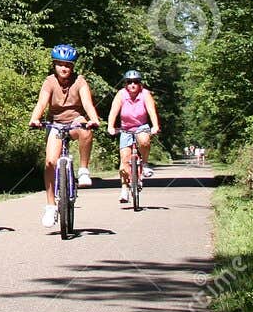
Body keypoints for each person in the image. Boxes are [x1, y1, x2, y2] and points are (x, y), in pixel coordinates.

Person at [27, 44, 101, 227]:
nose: (63, 68)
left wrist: (93, 119)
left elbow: (87, 103)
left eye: (67, 65)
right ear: (54, 65)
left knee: (85, 130)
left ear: (73, 66)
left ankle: (83, 170)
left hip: (75, 120)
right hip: (56, 123)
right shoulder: (49, 81)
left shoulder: (80, 81)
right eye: (60, 64)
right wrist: (34, 119)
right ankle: (51, 206)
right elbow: (41, 103)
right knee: (50, 162)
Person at [105, 69, 161, 204]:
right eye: (129, 82)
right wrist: (110, 127)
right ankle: (124, 188)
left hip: (141, 126)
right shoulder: (121, 95)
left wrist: (155, 126)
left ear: (140, 83)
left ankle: (145, 164)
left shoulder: (145, 94)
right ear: (125, 84)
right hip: (125, 128)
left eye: (136, 82)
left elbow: (151, 111)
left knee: (144, 141)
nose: (132, 85)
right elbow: (113, 112)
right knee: (124, 161)